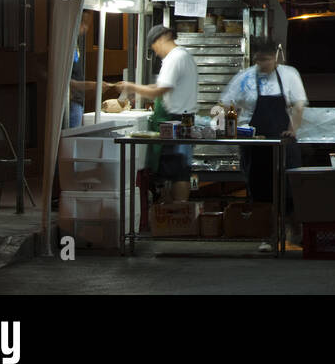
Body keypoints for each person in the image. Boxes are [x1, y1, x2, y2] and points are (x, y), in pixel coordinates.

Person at [214, 37, 307, 252]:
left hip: (283, 141)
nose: (262, 64)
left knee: (290, 190)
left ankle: (296, 232)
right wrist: (220, 125)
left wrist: (292, 130)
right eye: (258, 60)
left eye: (266, 60)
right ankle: (268, 235)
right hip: (254, 144)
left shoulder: (289, 74)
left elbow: (299, 105)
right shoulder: (244, 77)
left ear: (275, 57)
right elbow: (224, 104)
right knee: (260, 190)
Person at [117, 25, 200, 202]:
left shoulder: (175, 58)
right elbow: (159, 86)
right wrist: (138, 89)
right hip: (183, 120)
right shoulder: (182, 56)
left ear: (162, 39)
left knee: (179, 172)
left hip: (177, 121)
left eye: (154, 48)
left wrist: (131, 87)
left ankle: (178, 213)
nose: (155, 53)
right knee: (177, 170)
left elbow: (159, 91)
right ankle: (174, 213)